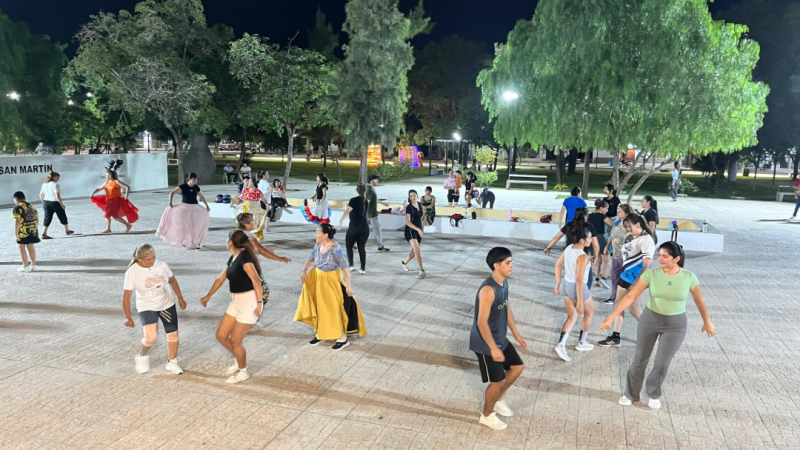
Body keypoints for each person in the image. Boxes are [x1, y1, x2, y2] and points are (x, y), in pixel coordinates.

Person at [601, 242, 715, 409]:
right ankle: (630, 393)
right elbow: (631, 296)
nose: (660, 259)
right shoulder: (651, 275)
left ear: (676, 259)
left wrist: (707, 322)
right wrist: (611, 317)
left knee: (662, 363)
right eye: (659, 255)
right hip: (650, 320)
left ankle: (653, 393)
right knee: (640, 359)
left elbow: (700, 300)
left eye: (664, 256)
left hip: (676, 325)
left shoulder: (689, 277)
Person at [470, 247, 527, 430]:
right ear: (496, 265)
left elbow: (506, 308)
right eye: (507, 263)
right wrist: (493, 348)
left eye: (511, 262)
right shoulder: (488, 290)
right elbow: (481, 322)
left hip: (500, 337)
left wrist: (516, 333)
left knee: (517, 368)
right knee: (498, 381)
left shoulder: (503, 283)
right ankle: (486, 415)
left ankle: (497, 399)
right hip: (486, 344)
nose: (512, 265)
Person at [200, 230, 264, 384]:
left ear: (230, 243)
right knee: (221, 336)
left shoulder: (245, 258)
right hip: (235, 302)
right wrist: (208, 295)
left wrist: (259, 305)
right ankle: (238, 358)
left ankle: (243, 371)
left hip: (249, 303)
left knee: (236, 341)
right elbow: (221, 278)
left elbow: (256, 280)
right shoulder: (233, 257)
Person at [294, 224, 367, 350]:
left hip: (332, 281)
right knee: (318, 307)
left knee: (333, 308)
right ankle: (320, 333)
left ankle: (342, 338)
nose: (315, 235)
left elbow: (346, 268)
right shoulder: (317, 245)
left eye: (317, 232)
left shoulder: (335, 249)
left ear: (325, 235)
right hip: (317, 279)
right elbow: (311, 259)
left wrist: (348, 287)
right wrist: (304, 271)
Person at [123, 245, 187, 375]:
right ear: (139, 260)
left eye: (153, 257)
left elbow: (172, 281)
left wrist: (180, 298)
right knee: (151, 338)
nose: (152, 261)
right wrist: (128, 316)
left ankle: (172, 362)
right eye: (148, 259)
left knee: (173, 334)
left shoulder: (162, 265)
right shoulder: (132, 272)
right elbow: (127, 295)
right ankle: (141, 356)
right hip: (147, 305)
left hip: (166, 303)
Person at [598, 214, 656, 347]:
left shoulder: (646, 240)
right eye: (626, 226)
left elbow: (647, 264)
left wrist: (638, 284)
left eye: (629, 226)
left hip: (637, 279)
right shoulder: (630, 237)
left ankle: (651, 335)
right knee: (618, 305)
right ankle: (616, 336)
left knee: (634, 310)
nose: (627, 228)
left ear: (638, 224)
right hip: (625, 276)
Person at [552, 225, 595, 361]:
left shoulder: (569, 247)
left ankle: (561, 345)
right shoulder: (582, 256)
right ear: (583, 240)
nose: (591, 240)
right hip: (577, 288)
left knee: (572, 317)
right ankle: (581, 343)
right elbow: (579, 279)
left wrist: (558, 283)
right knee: (589, 313)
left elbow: (558, 264)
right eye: (589, 238)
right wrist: (580, 301)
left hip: (565, 285)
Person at [156, 173, 211, 249]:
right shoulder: (183, 186)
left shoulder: (196, 187)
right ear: (190, 179)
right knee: (184, 225)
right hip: (185, 207)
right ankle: (184, 241)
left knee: (195, 225)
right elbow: (172, 193)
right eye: (194, 179)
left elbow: (201, 196)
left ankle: (196, 241)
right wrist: (170, 202)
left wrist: (207, 206)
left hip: (195, 207)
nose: (195, 181)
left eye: (196, 180)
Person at [601, 204, 634, 305]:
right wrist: (607, 246)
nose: (617, 213)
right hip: (616, 254)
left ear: (626, 213)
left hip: (625, 255)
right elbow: (612, 236)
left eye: (620, 211)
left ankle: (620, 298)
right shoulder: (617, 222)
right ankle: (614, 297)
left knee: (622, 278)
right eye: (618, 211)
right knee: (615, 276)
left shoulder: (629, 224)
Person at [337, 184, 371, 274]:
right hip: (364, 228)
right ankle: (363, 268)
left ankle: (351, 265)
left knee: (349, 245)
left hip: (354, 227)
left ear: (357, 190)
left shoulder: (353, 200)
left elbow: (347, 211)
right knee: (361, 248)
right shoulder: (365, 201)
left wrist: (340, 221)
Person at [588, 200, 614, 289]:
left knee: (597, 259)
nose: (607, 210)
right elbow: (613, 224)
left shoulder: (589, 216)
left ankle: (597, 278)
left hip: (591, 238)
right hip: (601, 237)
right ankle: (604, 278)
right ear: (601, 208)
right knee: (607, 259)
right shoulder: (602, 216)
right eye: (606, 208)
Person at [39, 171, 74, 239]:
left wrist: (44, 202)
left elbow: (40, 195)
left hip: (46, 202)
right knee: (62, 215)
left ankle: (44, 233)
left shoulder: (44, 184)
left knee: (47, 218)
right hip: (55, 202)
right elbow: (57, 196)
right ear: (54, 177)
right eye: (57, 177)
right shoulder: (55, 185)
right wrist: (62, 204)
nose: (58, 179)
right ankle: (67, 230)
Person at [401, 189, 426, 279]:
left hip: (418, 231)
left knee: (414, 252)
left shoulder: (420, 204)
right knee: (417, 250)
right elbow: (407, 222)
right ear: (409, 197)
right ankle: (421, 270)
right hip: (410, 231)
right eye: (411, 196)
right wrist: (418, 230)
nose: (413, 197)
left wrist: (421, 229)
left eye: (414, 195)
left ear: (417, 195)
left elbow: (421, 217)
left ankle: (404, 263)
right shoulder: (409, 207)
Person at [12, 191, 40, 273]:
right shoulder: (32, 206)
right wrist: (35, 227)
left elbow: (17, 221)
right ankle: (34, 265)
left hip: (23, 231)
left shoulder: (17, 208)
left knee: (21, 247)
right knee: (31, 247)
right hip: (33, 230)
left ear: (16, 199)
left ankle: (25, 265)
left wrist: (16, 234)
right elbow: (37, 217)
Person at [366, 175, 391, 252]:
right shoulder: (369, 190)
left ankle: (380, 245)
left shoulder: (371, 189)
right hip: (371, 214)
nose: (377, 181)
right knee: (377, 230)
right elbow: (367, 201)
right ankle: (380, 246)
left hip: (371, 214)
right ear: (371, 181)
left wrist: (382, 203)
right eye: (376, 180)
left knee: (371, 230)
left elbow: (373, 199)